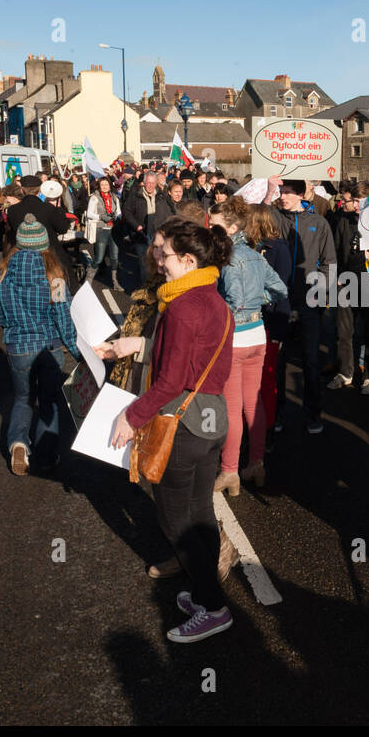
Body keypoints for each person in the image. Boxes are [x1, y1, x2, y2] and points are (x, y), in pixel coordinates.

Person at [100, 218, 235, 643]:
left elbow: (170, 381)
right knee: (198, 514)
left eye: (164, 253)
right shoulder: (212, 297)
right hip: (211, 417)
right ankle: (204, 592)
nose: (157, 259)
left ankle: (213, 607)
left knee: (175, 519)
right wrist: (138, 347)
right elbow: (198, 362)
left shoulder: (180, 307)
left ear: (189, 259)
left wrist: (131, 415)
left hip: (182, 422)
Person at [0, 217, 81, 475]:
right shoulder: (56, 277)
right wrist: (78, 353)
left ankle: (18, 443)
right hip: (49, 347)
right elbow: (64, 319)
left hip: (18, 347)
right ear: (44, 245)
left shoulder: (2, 275)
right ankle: (48, 456)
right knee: (49, 401)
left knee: (22, 399)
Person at [208, 198, 288, 495]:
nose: (210, 229)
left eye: (214, 225)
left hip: (236, 337)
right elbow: (280, 288)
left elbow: (236, 301)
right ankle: (256, 464)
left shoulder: (228, 256)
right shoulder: (255, 254)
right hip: (258, 335)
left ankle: (230, 471)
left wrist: (218, 318)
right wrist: (259, 305)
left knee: (232, 408)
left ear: (231, 227)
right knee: (253, 403)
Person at [273, 179, 338, 434]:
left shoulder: (319, 223)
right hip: (279, 302)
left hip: (308, 301)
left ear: (301, 194)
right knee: (278, 362)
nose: (283, 196)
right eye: (281, 191)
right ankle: (276, 415)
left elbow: (329, 261)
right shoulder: (275, 219)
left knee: (311, 361)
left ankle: (313, 415)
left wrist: (318, 294)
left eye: (288, 192)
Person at [245, 203, 294, 433]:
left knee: (270, 375)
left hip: (273, 317)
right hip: (254, 318)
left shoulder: (279, 247)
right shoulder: (249, 246)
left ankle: (273, 421)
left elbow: (280, 284)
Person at [327, 180, 369, 393]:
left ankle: (368, 375)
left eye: (359, 200)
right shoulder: (344, 221)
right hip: (346, 283)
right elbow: (336, 251)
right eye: (353, 200)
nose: (355, 205)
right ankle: (346, 372)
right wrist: (335, 277)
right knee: (344, 331)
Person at [85, 176, 122, 289]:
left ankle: (115, 282)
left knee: (115, 257)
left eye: (107, 184)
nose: (105, 187)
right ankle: (88, 281)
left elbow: (119, 212)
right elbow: (89, 214)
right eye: (102, 185)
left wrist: (117, 217)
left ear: (110, 185)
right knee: (99, 258)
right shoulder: (94, 198)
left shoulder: (115, 197)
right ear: (99, 186)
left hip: (113, 229)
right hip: (101, 229)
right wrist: (101, 217)